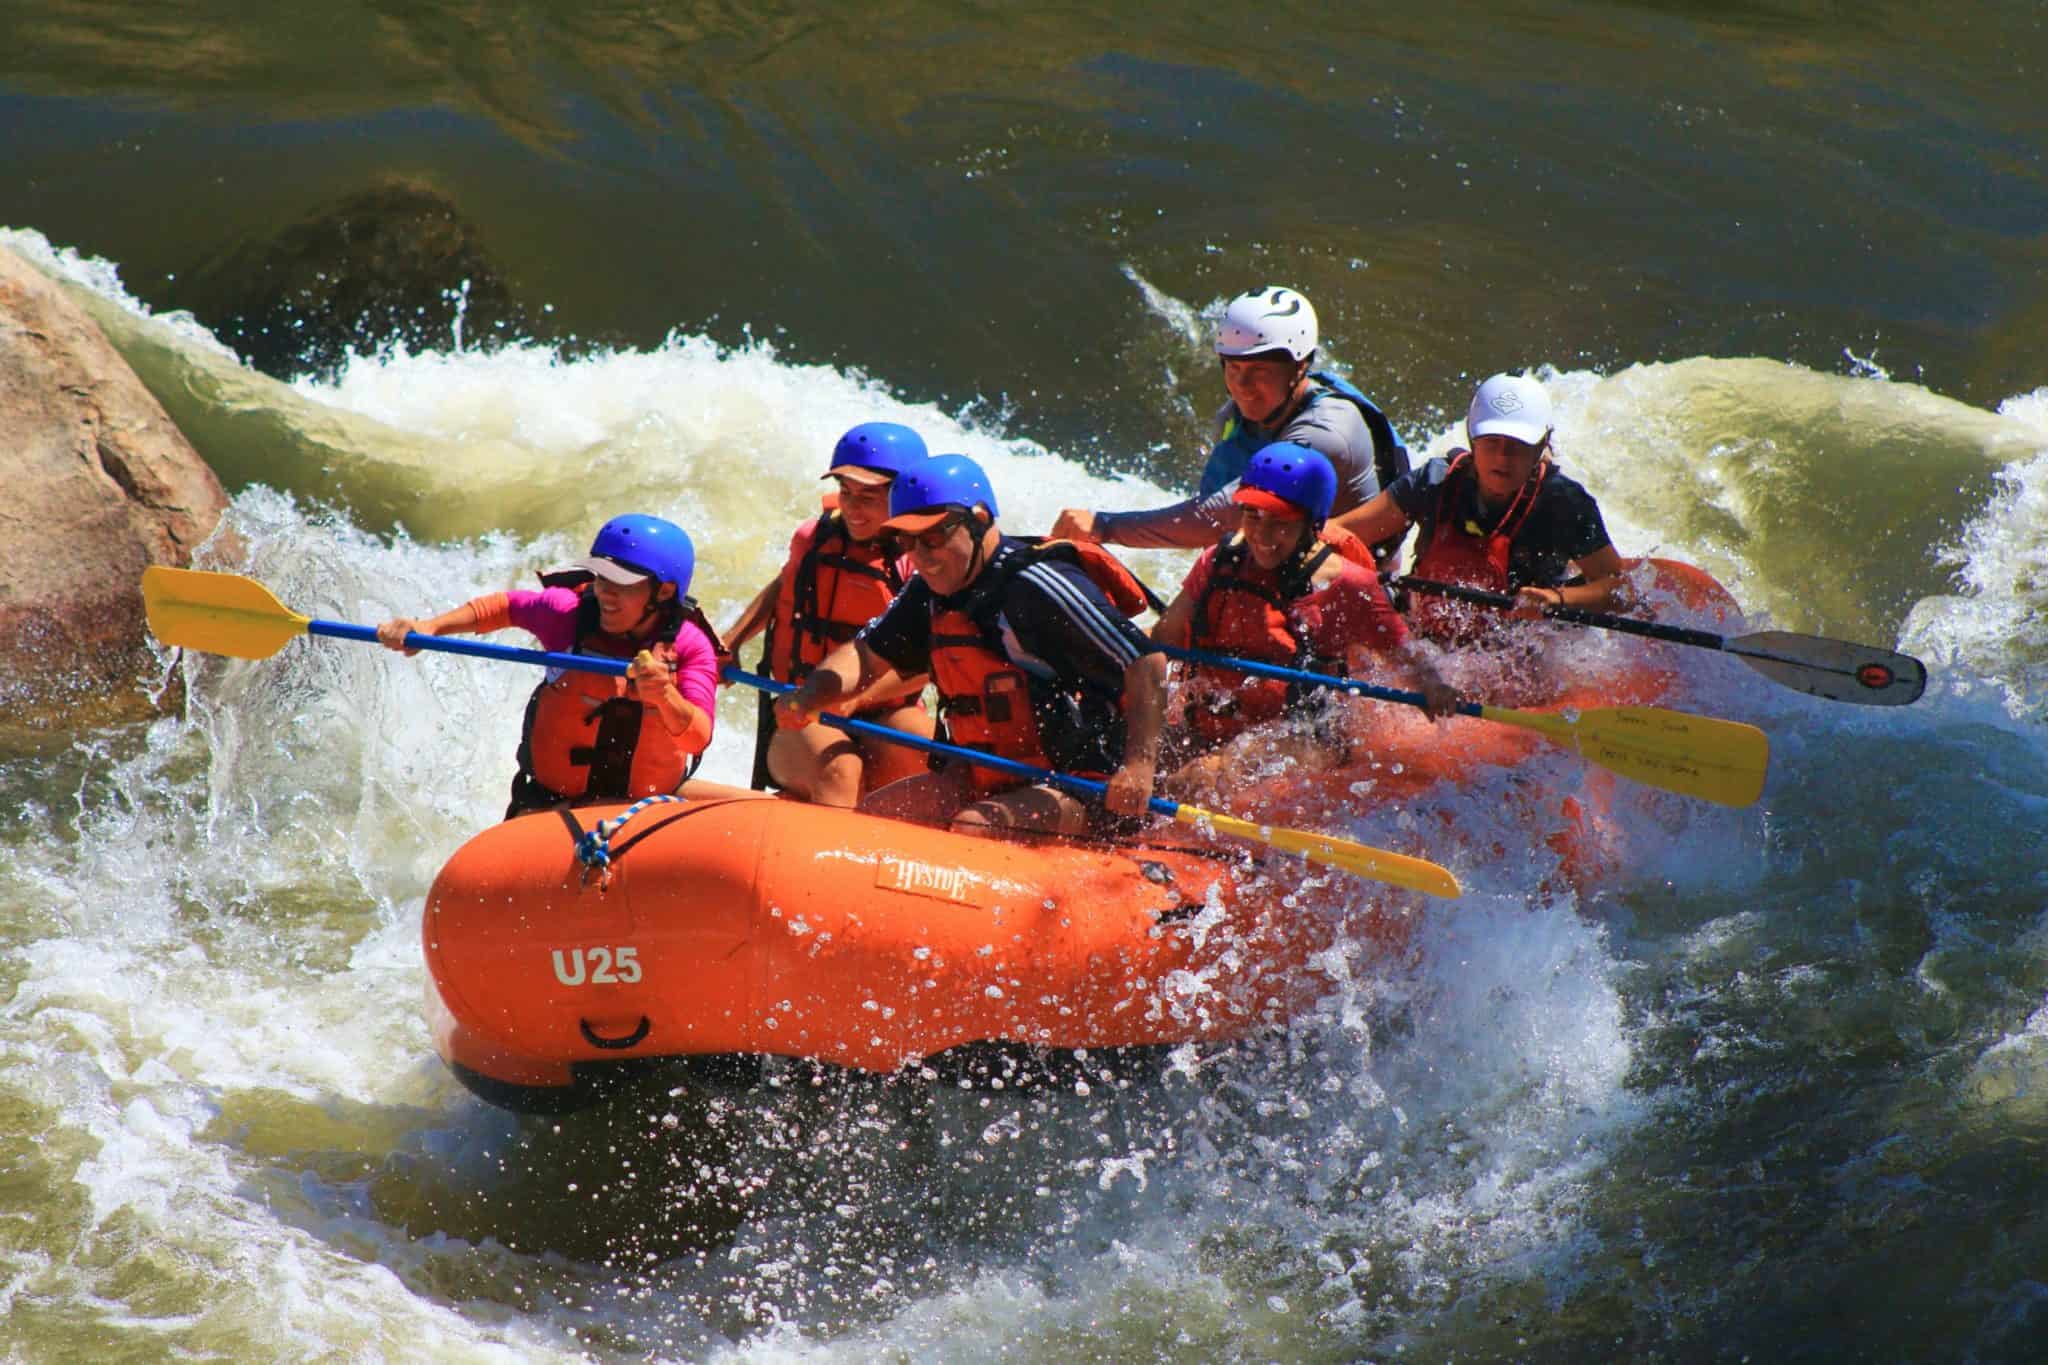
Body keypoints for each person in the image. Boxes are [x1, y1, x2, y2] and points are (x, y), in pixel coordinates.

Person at [775, 453, 1170, 835]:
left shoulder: (1036, 586)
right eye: (907, 540)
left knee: (974, 826)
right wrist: (810, 694)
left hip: (1083, 784)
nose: (922, 555)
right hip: (988, 773)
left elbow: (1146, 661)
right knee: (876, 818)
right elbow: (864, 656)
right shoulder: (929, 592)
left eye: (932, 536)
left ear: (979, 520)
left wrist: (1138, 766)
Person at [1151, 444, 1459, 791]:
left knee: (1223, 766)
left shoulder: (1350, 586)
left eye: (1280, 522)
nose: (1263, 536)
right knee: (1145, 752)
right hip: (1217, 719)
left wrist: (1435, 687)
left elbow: (1405, 655)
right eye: (1253, 516)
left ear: (1312, 525)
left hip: (1307, 734)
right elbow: (1164, 637)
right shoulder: (1218, 561)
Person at [376, 515, 721, 819]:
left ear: (664, 592)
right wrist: (430, 627)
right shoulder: (567, 615)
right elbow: (505, 607)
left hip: (641, 813)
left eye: (622, 585)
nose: (605, 594)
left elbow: (697, 739)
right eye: (602, 579)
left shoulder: (690, 646)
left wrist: (665, 697)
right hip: (551, 807)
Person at [1050, 285, 1409, 562]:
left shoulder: (1327, 434)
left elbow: (1215, 518)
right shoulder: (1239, 414)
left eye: (1259, 371)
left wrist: (1104, 526)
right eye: (1233, 368)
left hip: (1349, 584)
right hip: (1280, 557)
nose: (1241, 387)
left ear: (1300, 365)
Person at [721, 422, 935, 806]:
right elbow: (783, 589)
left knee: (927, 745)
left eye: (869, 496)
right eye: (846, 491)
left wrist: (854, 698)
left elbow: (926, 664)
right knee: (842, 768)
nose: (852, 507)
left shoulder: (921, 564)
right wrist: (733, 640)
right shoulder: (813, 539)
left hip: (884, 712)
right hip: (802, 711)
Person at [1331, 373, 1627, 647]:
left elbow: (1621, 590)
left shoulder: (1564, 502)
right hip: (1428, 641)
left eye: (1516, 445)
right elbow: (1340, 534)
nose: (1502, 457)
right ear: (1472, 440)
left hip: (1522, 650)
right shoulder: (1433, 482)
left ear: (1541, 447)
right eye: (1491, 442)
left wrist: (1556, 599)